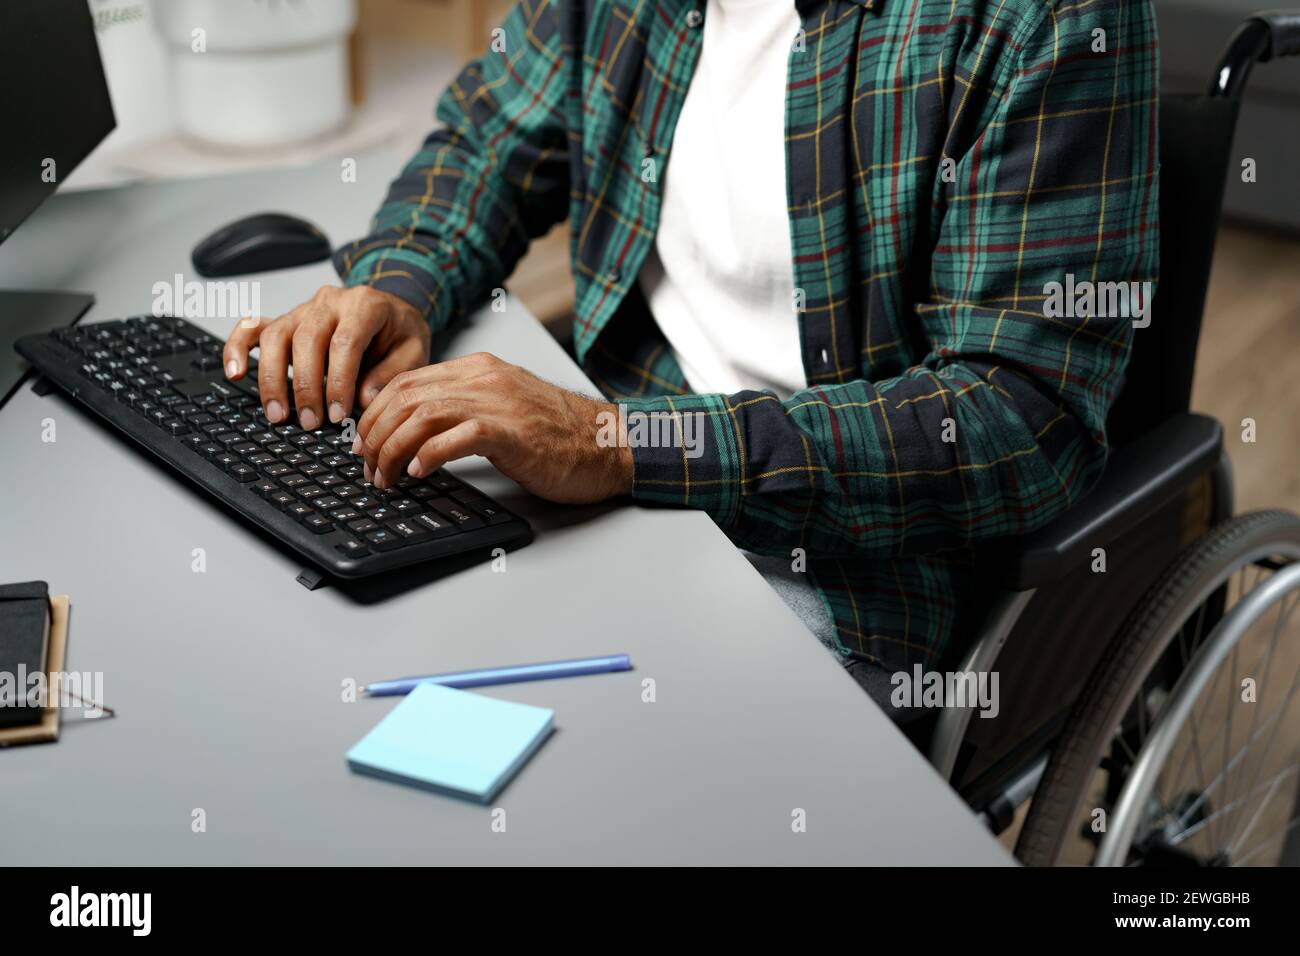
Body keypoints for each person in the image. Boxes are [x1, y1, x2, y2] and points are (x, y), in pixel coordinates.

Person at [222, 0, 1159, 713]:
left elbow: (1021, 417)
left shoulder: (1050, 17)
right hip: (605, 454)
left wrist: (621, 443)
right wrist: (401, 280)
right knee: (333, 667)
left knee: (594, 788)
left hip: (842, 557)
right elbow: (494, 136)